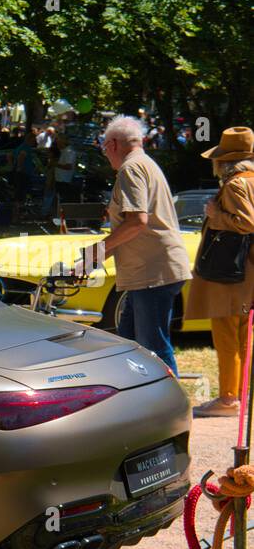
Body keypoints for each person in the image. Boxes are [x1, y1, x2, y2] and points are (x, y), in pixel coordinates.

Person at [72, 116, 190, 374]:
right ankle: (139, 404)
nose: (105, 155)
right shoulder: (146, 164)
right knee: (129, 345)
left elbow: (136, 222)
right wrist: (92, 259)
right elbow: (133, 225)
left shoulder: (130, 169)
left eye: (104, 148)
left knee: (152, 349)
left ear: (113, 144)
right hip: (151, 272)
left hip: (151, 273)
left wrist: (94, 254)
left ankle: (170, 409)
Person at [185, 127, 254, 416]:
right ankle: (239, 395)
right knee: (242, 336)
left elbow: (247, 222)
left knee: (226, 335)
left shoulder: (236, 184)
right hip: (246, 272)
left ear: (223, 161)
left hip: (231, 274)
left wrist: (216, 216)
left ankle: (228, 399)